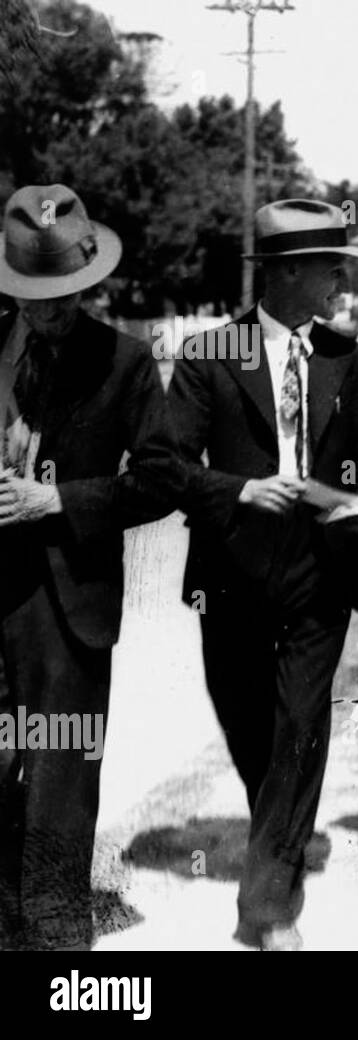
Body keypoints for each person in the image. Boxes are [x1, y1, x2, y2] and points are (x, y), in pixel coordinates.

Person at [167, 199, 358, 951]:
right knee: (251, 732)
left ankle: (269, 909)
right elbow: (164, 464)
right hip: (230, 573)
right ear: (289, 272)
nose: (339, 281)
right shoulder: (208, 354)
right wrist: (237, 490)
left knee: (300, 731)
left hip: (320, 572)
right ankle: (279, 848)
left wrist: (355, 509)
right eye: (331, 268)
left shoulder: (346, 358)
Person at [0, 184, 179, 950]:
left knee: (60, 773)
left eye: (65, 296)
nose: (51, 312)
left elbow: (163, 478)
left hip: (69, 600)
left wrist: (58, 503)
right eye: (35, 299)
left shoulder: (127, 361)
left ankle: (55, 936)